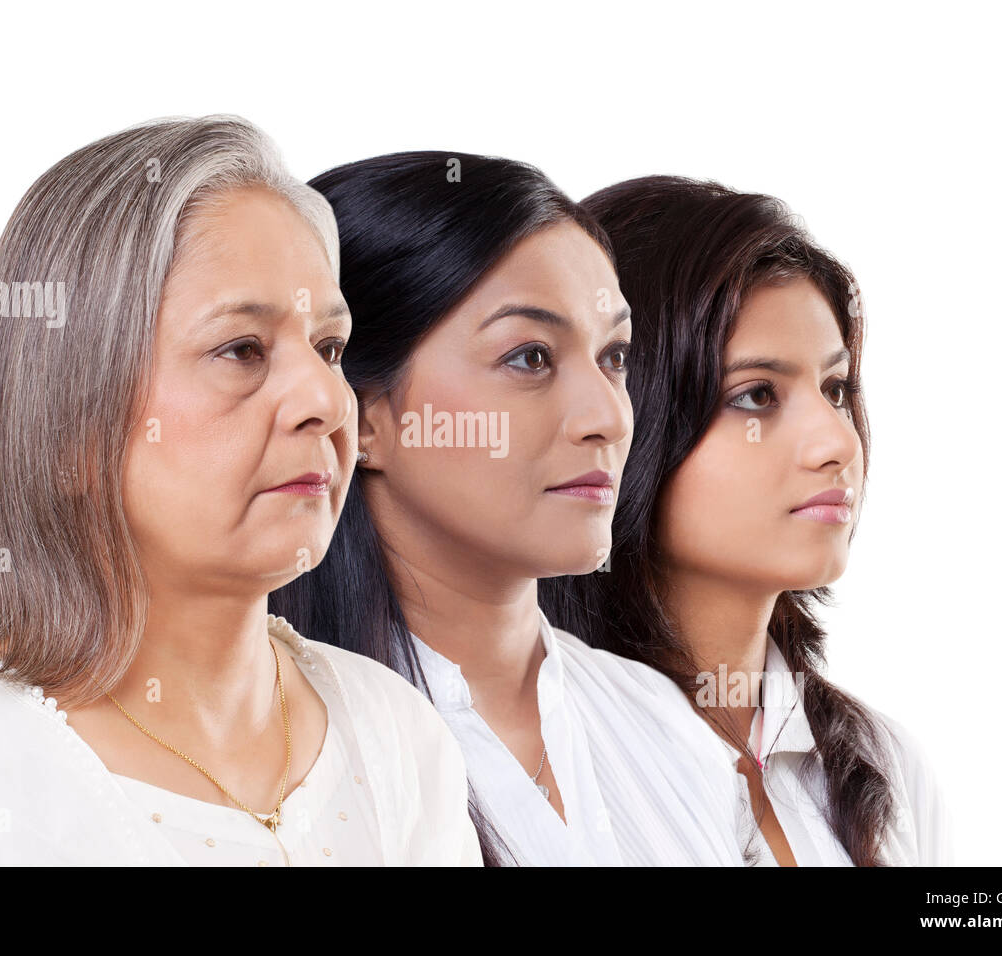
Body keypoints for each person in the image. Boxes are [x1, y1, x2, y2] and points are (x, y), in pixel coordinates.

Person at [0, 116, 481, 867]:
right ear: (69, 425)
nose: (324, 400)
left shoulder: (399, 738)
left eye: (328, 347)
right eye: (241, 350)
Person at [270, 152, 744, 866]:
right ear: (361, 419)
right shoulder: (270, 754)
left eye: (614, 356)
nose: (609, 418)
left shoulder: (668, 726)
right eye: (530, 357)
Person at [539, 176, 954, 865]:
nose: (837, 443)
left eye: (835, 389)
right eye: (757, 395)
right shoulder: (522, 748)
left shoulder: (887, 769)